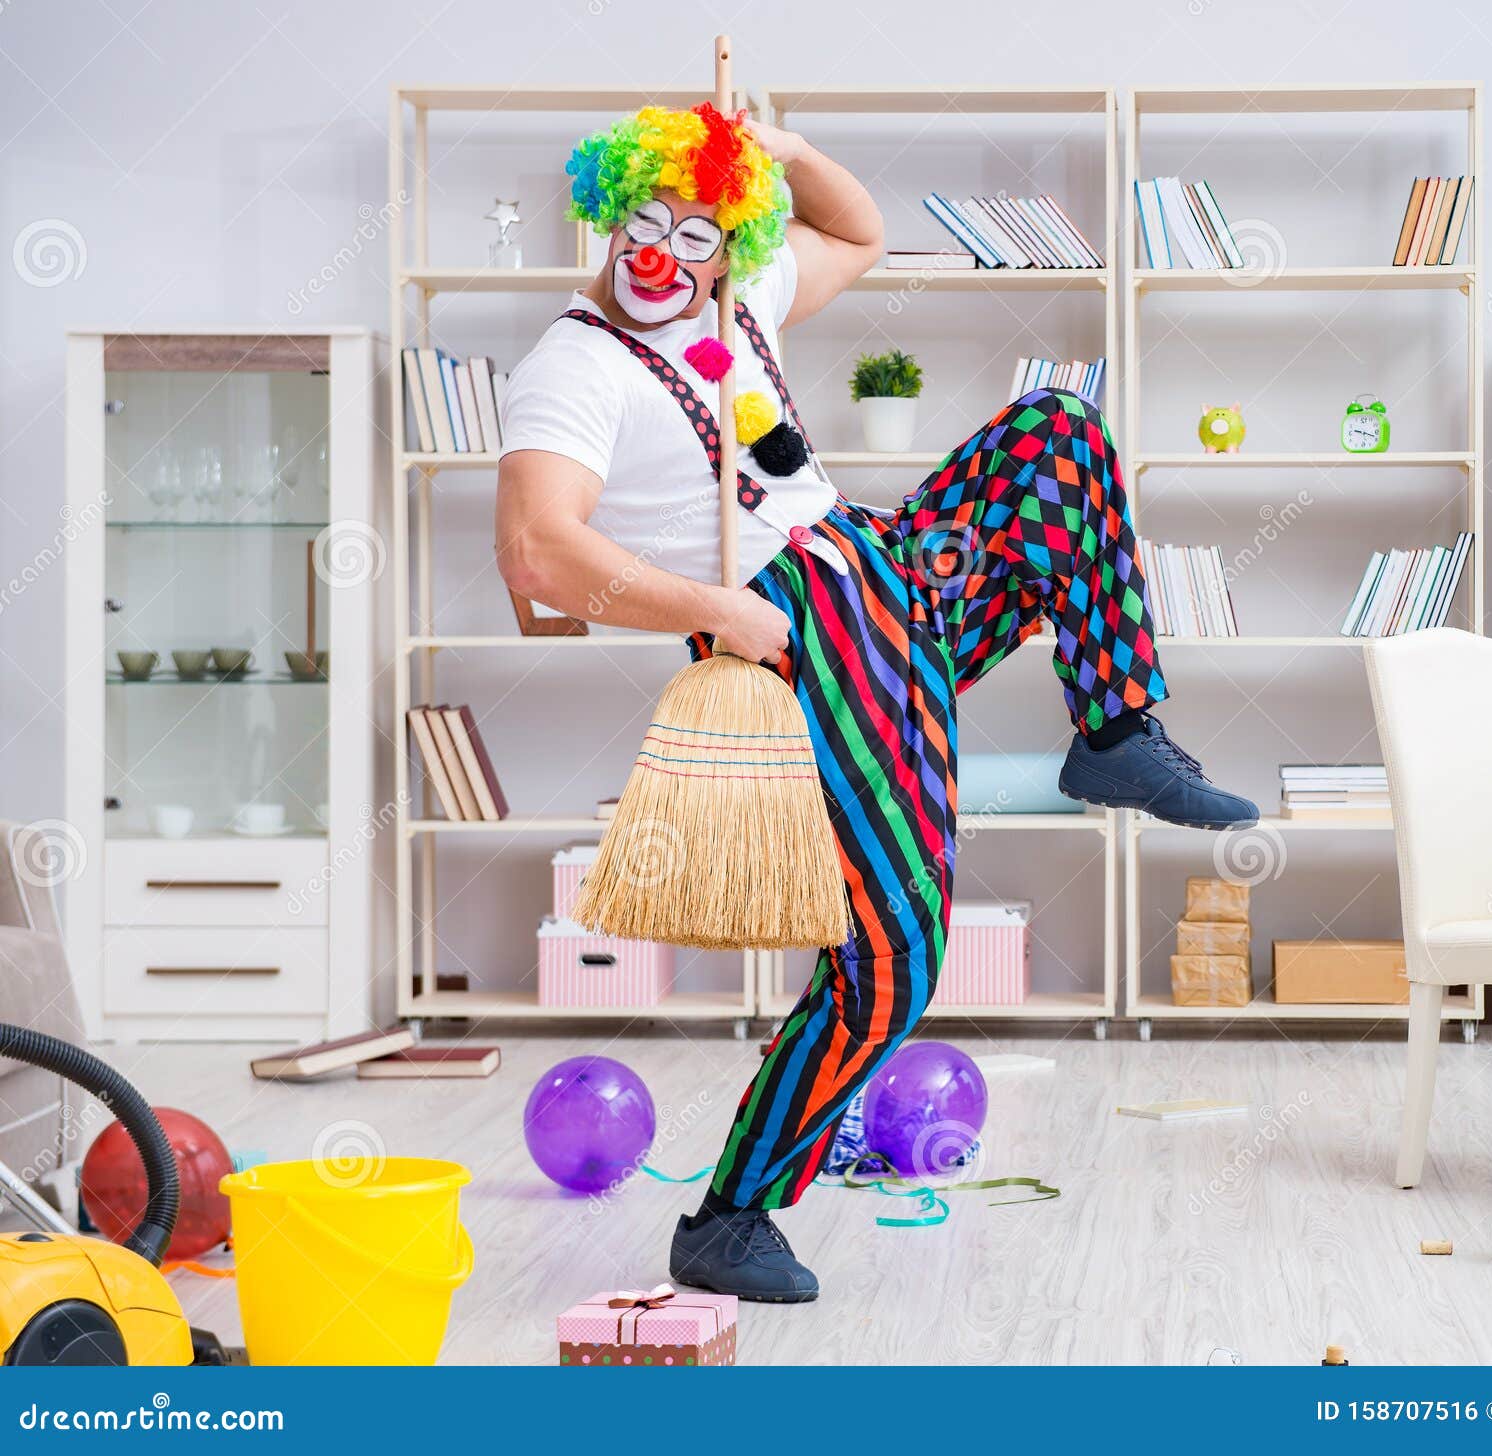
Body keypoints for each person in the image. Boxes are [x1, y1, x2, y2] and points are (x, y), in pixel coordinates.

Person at [495, 103, 1257, 1304]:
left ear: (727, 239)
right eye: (644, 223)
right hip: (806, 631)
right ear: (608, 214)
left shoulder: (735, 304)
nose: (665, 255)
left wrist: (782, 155)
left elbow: (856, 231)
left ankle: (1111, 731)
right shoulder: (574, 366)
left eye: (696, 231)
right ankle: (732, 1214)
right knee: (893, 954)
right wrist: (722, 606)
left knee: (1056, 434)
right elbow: (538, 554)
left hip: (884, 568)